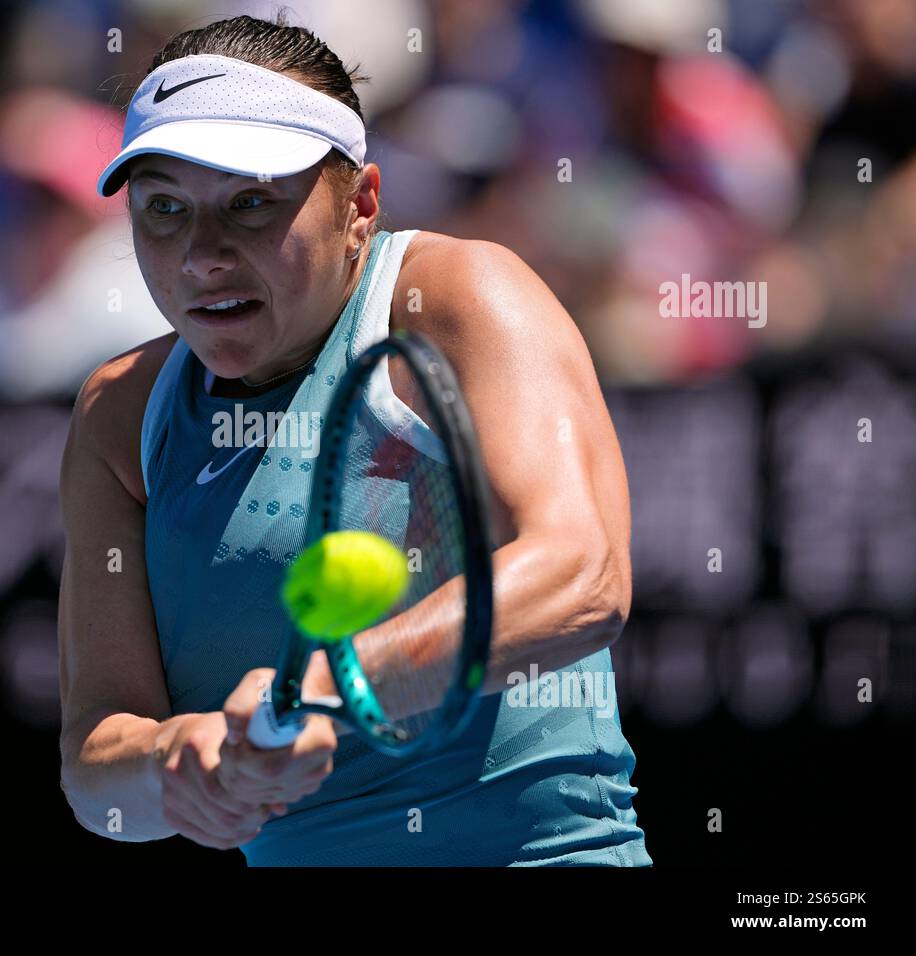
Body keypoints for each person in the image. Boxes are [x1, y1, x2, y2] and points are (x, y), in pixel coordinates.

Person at [58, 13, 650, 866]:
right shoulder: (118, 411)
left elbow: (585, 576)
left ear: (361, 206)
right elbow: (92, 763)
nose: (201, 256)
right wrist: (173, 764)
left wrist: (333, 687)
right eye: (164, 209)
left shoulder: (458, 297)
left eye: (251, 203)